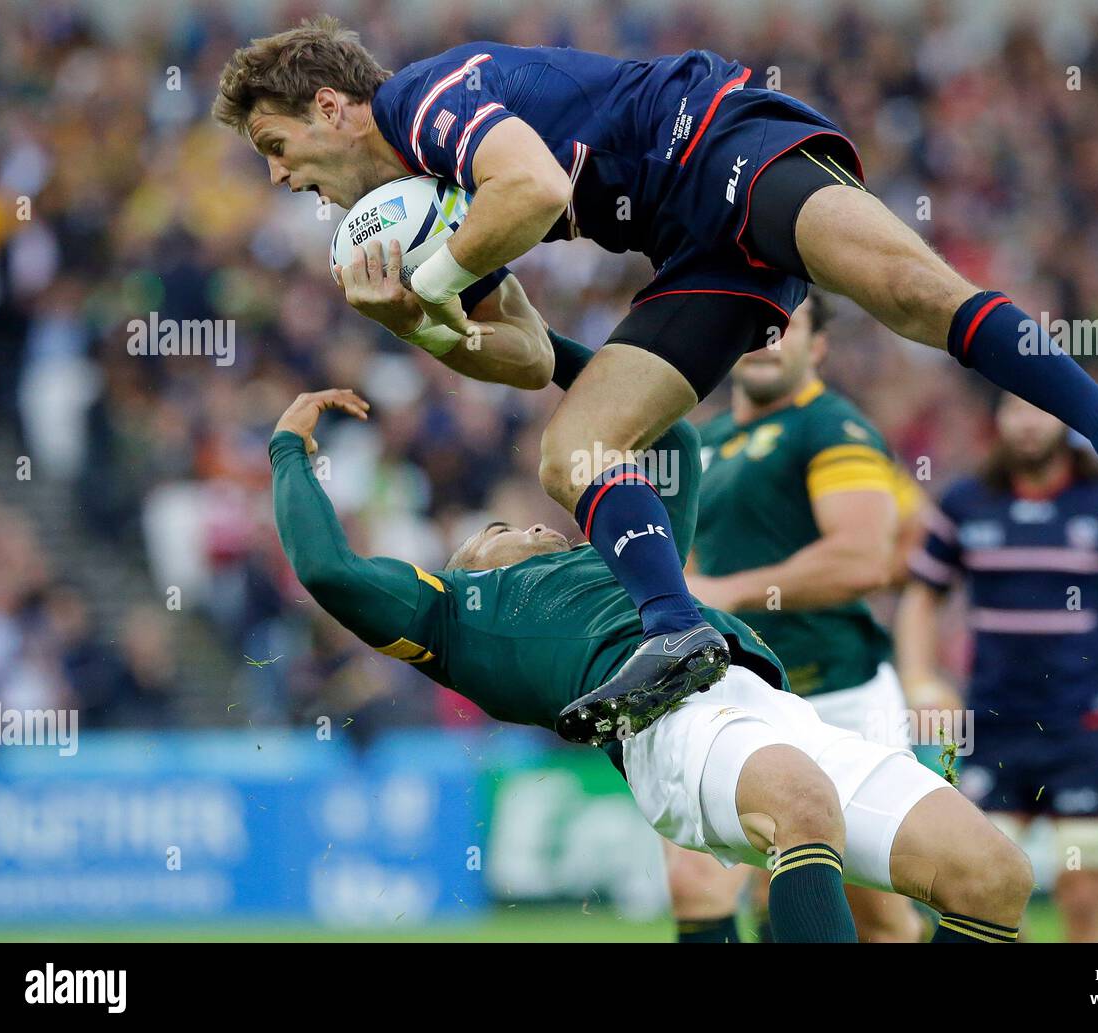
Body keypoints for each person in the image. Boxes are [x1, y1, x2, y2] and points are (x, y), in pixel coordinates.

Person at [217, 16, 1098, 742]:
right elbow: (519, 357)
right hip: (689, 249)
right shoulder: (437, 195)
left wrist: (433, 280)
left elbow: (540, 189)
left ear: (334, 110)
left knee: (908, 292)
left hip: (719, 146)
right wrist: (416, 323)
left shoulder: (422, 102)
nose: (277, 176)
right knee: (572, 450)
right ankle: (676, 632)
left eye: (275, 146)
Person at [268, 330, 1032, 943]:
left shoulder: (630, 554)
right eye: (496, 529)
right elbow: (328, 568)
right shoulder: (454, 612)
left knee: (994, 874)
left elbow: (671, 436)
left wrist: (548, 355)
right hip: (668, 728)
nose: (529, 522)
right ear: (466, 561)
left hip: (777, 709)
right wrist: (290, 448)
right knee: (799, 804)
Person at [664, 292, 925, 943]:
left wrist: (723, 591)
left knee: (880, 915)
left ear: (818, 345)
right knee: (696, 884)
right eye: (752, 323)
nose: (765, 336)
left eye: (784, 325)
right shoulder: (705, 440)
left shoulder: (834, 426)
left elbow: (864, 558)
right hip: (736, 695)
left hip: (839, 694)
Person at [895, 394, 1098, 942]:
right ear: (997, 421)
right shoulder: (966, 502)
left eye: (1039, 409)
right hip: (992, 724)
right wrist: (919, 679)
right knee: (979, 890)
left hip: (1084, 725)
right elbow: (921, 598)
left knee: (1083, 898)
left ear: (1063, 419)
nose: (1028, 423)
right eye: (1014, 410)